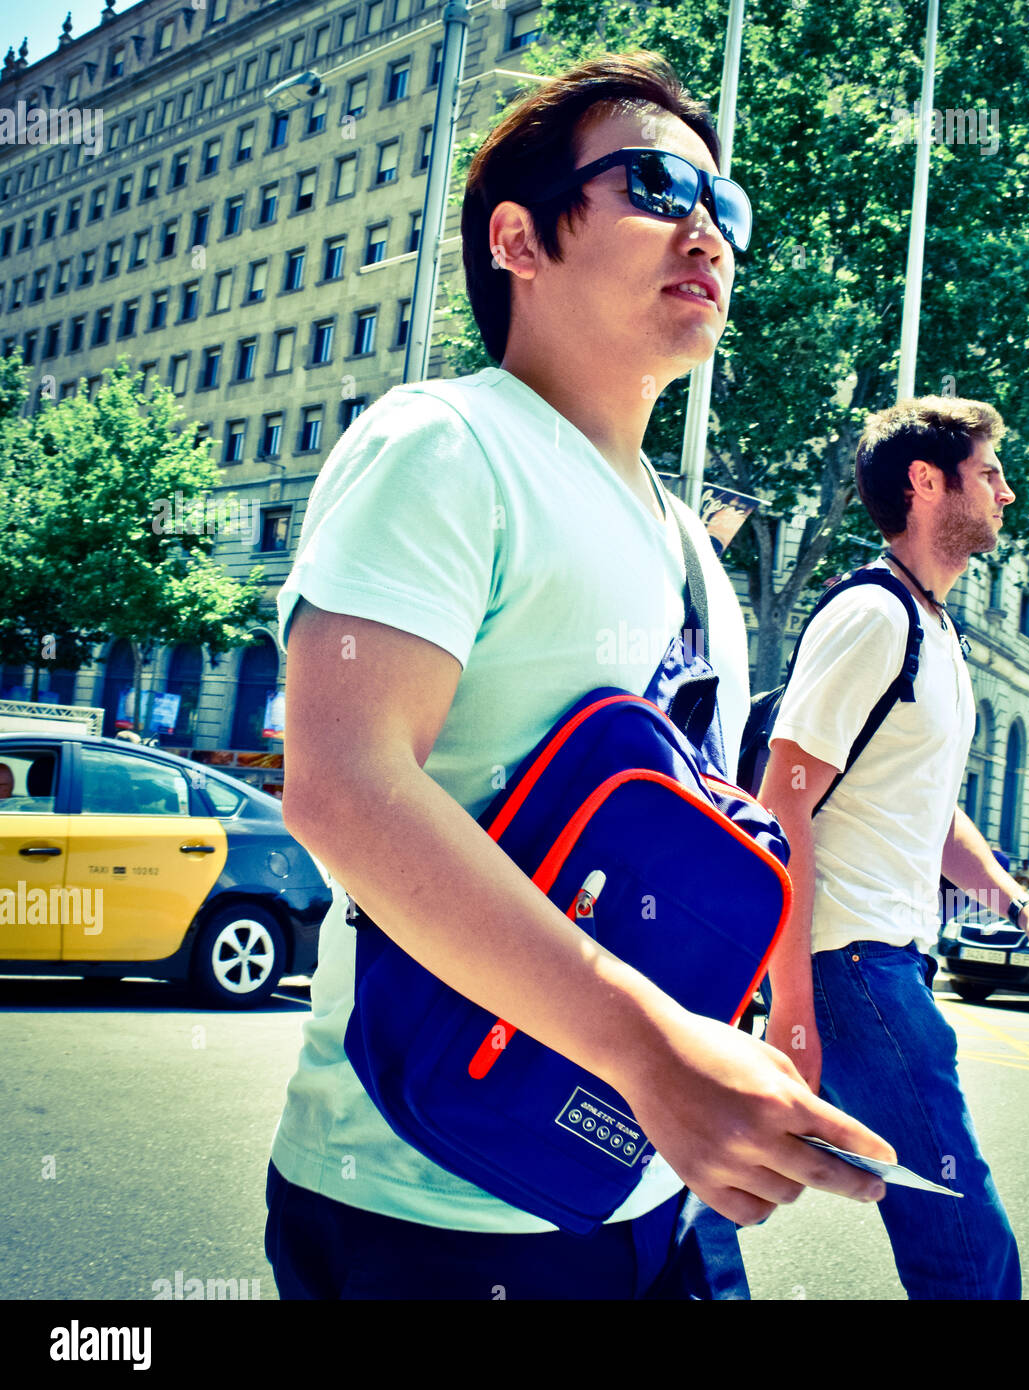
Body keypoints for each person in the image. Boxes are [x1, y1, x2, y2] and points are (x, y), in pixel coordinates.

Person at [262, 51, 893, 1303]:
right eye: (658, 183)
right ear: (519, 238)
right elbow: (340, 785)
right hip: (427, 1203)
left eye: (727, 204)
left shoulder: (693, 550)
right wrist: (655, 1054)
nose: (706, 226)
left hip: (648, 1194)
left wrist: (734, 1047)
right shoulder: (444, 444)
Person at [759, 396, 1029, 1300]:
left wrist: (1025, 911)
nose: (1008, 494)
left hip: (887, 957)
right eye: (990, 473)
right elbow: (780, 809)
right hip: (851, 959)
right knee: (962, 1232)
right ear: (926, 481)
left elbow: (933, 816)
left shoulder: (938, 631)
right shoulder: (874, 616)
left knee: (736, 1182)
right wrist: (793, 1004)